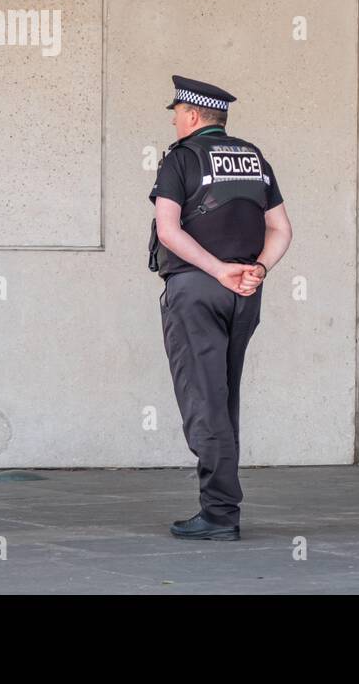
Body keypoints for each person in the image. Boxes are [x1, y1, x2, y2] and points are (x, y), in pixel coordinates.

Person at [148, 75, 292, 540]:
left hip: (197, 289)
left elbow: (169, 231)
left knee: (203, 401)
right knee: (223, 398)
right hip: (244, 294)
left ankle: (219, 515)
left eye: (175, 114)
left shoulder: (180, 159)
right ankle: (221, 508)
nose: (174, 120)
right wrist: (257, 270)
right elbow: (281, 229)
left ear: (191, 116)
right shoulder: (253, 158)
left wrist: (216, 269)